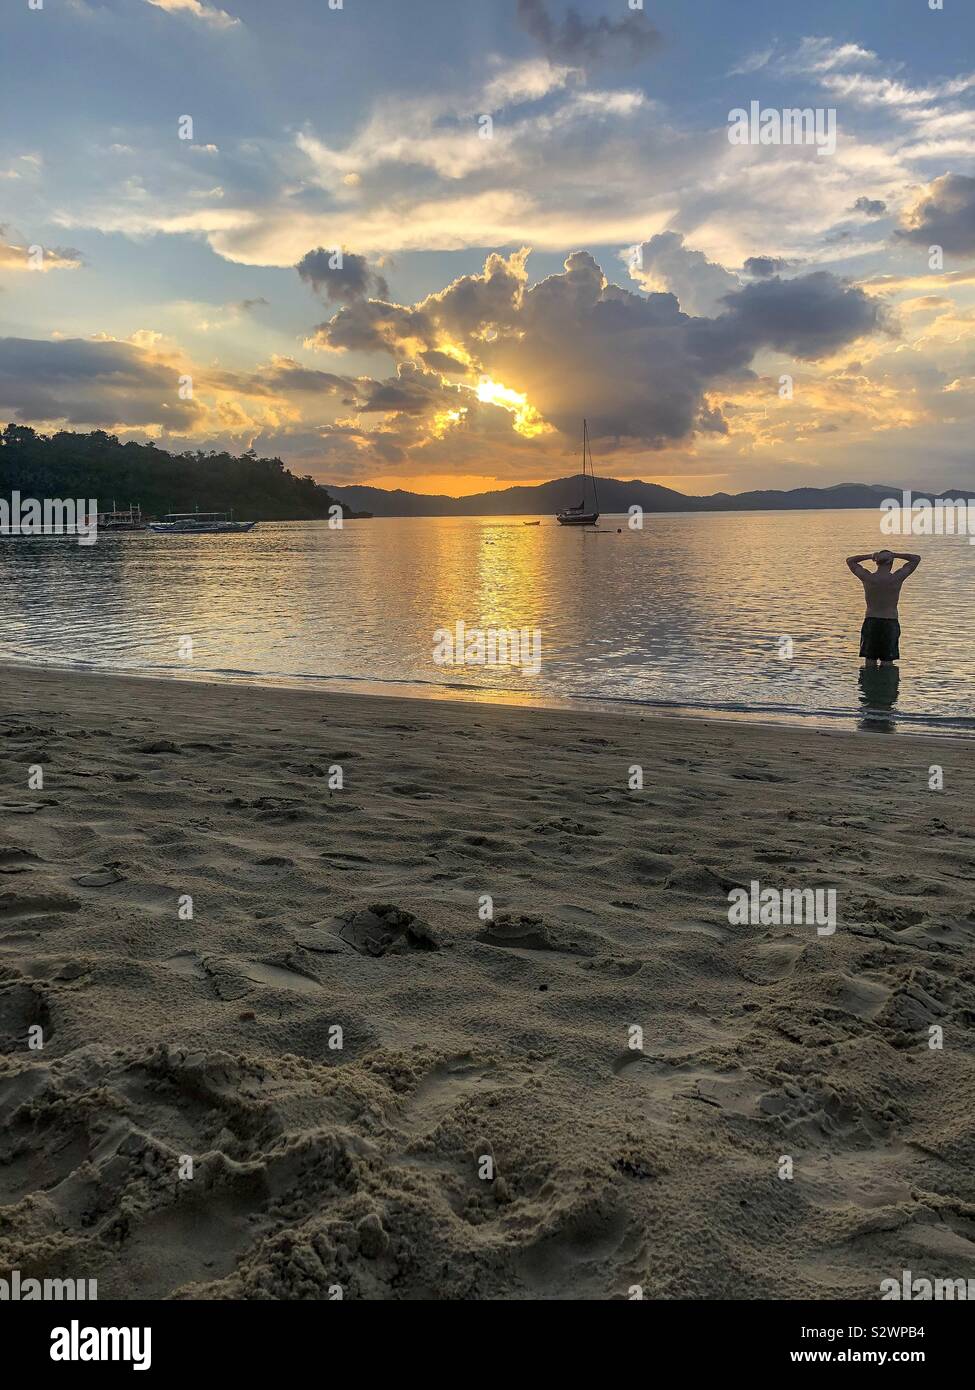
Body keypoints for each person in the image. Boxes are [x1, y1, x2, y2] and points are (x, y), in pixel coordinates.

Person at [845, 549, 921, 666]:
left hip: (871, 621)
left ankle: (869, 683)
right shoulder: (896, 578)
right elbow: (916, 558)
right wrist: (895, 554)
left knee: (869, 662)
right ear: (891, 563)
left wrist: (870, 556)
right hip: (890, 622)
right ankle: (886, 683)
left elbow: (850, 561)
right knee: (887, 662)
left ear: (876, 562)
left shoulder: (868, 578)